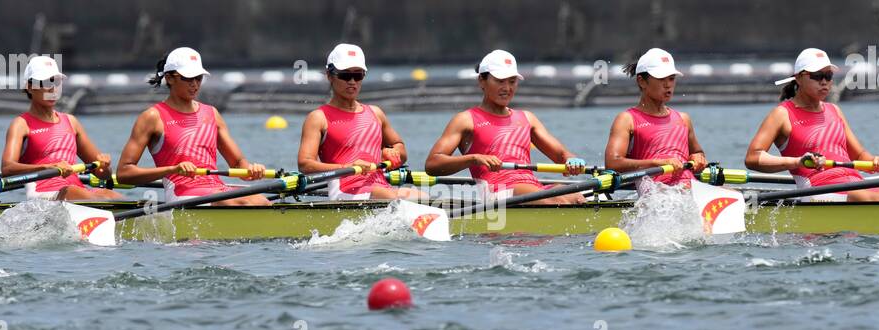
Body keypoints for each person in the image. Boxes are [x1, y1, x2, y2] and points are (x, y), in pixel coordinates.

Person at [424, 49, 588, 204]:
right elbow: (432, 164)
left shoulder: (527, 118)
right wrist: (474, 159)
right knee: (557, 198)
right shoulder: (465, 120)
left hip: (531, 189)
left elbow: (560, 155)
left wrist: (571, 161)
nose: (507, 88)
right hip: (496, 192)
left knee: (576, 196)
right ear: (482, 80)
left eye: (512, 81)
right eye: (500, 81)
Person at [744, 48, 879, 202]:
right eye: (817, 76)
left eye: (828, 76)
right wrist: (798, 162)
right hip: (817, 188)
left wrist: (877, 161)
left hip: (854, 183)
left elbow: (860, 157)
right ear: (798, 78)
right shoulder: (782, 114)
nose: (824, 82)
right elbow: (753, 157)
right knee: (866, 197)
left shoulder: (834, 110)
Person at [116, 47, 271, 206]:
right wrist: (173, 169)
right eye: (188, 78)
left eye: (198, 78)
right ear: (170, 78)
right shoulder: (152, 117)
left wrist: (251, 171)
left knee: (261, 201)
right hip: (182, 192)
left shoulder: (212, 114)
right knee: (235, 202)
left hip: (215, 189)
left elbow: (238, 163)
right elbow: (124, 173)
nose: (195, 84)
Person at [296, 44, 419, 200]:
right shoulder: (318, 118)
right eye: (345, 75)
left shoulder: (376, 113)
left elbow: (401, 150)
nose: (352, 81)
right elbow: (305, 164)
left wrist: (392, 152)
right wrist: (347, 167)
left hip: (381, 187)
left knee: (423, 197)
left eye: (358, 75)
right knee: (395, 198)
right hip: (345, 190)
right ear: (330, 75)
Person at [0, 56, 121, 200]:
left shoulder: (71, 121)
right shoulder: (21, 124)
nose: (52, 88)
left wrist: (105, 166)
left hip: (75, 190)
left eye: (56, 82)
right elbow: (7, 168)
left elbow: (103, 175)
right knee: (78, 193)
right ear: (29, 86)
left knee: (113, 196)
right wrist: (47, 167)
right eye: (45, 82)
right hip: (44, 192)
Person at [603, 48, 708, 193]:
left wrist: (698, 157)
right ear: (642, 81)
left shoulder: (683, 119)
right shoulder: (627, 119)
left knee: (734, 195)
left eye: (671, 78)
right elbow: (613, 163)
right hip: (656, 192)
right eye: (661, 79)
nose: (668, 85)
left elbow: (698, 152)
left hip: (689, 187)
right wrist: (657, 163)